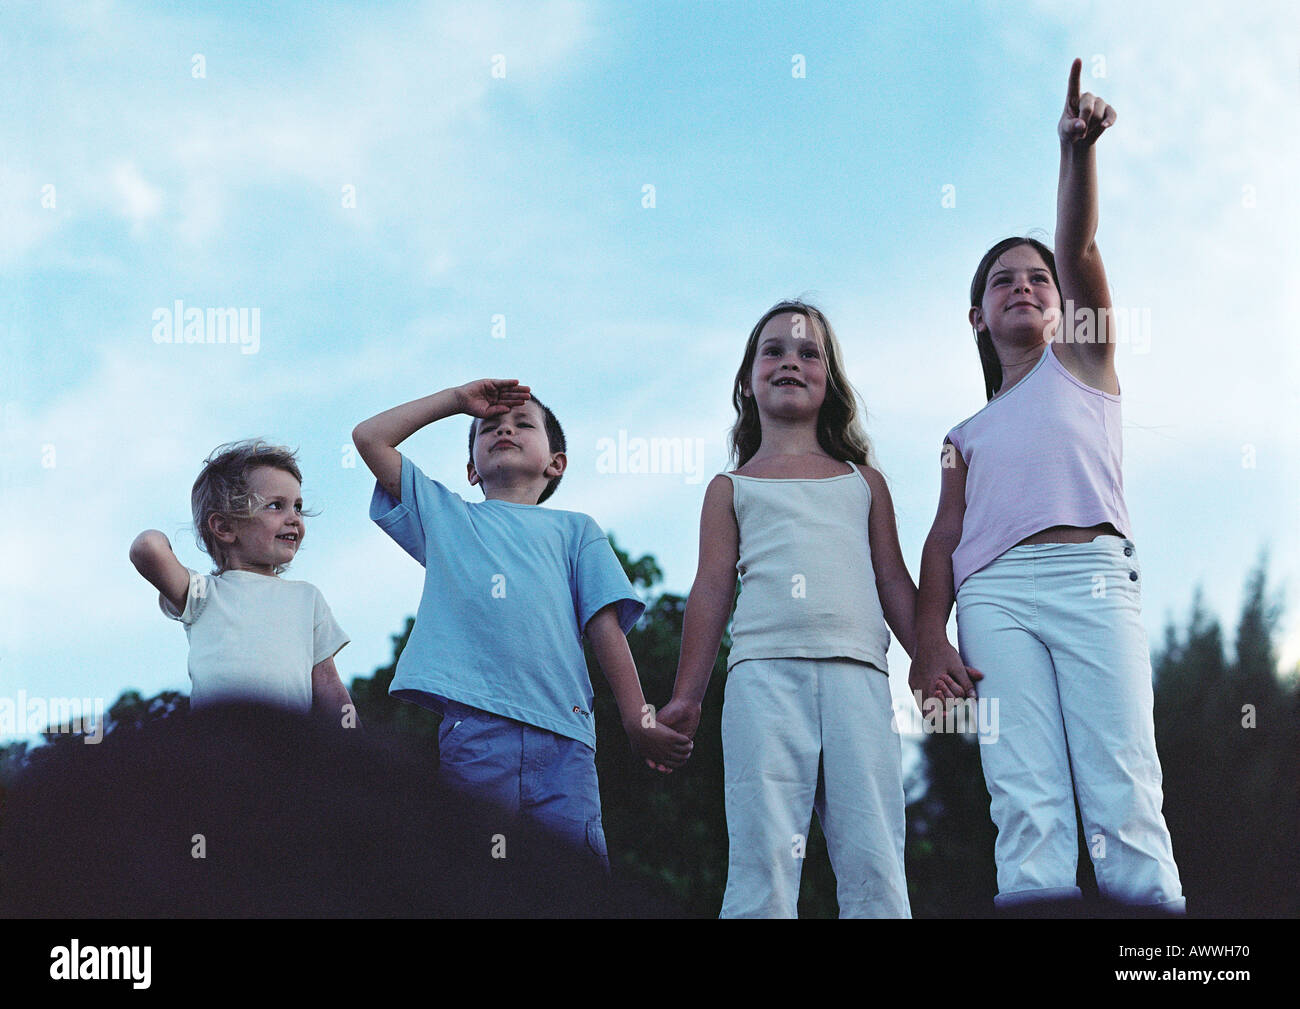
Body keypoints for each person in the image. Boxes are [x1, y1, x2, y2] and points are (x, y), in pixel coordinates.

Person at [911, 60, 1184, 913]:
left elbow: (1081, 248)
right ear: (977, 317)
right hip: (994, 602)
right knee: (1026, 800)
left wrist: (1076, 154)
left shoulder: (1086, 364)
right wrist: (928, 646)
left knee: (1122, 784)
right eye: (1003, 282)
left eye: (1037, 279)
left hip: (1096, 583)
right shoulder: (963, 436)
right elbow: (943, 541)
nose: (1024, 286)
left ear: (1065, 306)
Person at [658, 301, 940, 917]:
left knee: (874, 862)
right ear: (748, 381)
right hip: (762, 680)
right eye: (774, 351)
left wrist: (930, 659)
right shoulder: (730, 489)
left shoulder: (864, 482)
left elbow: (892, 578)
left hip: (859, 679)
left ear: (830, 381)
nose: (791, 361)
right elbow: (711, 590)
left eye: (809, 352)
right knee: (762, 863)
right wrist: (686, 696)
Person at [352, 381, 693, 871]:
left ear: (556, 462)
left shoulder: (577, 531)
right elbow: (370, 438)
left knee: (574, 891)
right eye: (488, 426)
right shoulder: (446, 517)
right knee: (480, 887)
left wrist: (638, 719)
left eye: (522, 424)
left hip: (566, 741)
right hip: (477, 734)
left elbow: (605, 629)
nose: (504, 428)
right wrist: (455, 402)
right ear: (471, 469)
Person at [129, 439, 354, 722]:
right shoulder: (202, 594)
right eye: (276, 506)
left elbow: (329, 686)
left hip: (291, 749)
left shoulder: (308, 598)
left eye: (297, 507)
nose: (294, 518)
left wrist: (359, 750)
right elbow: (147, 547)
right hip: (221, 749)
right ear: (223, 527)